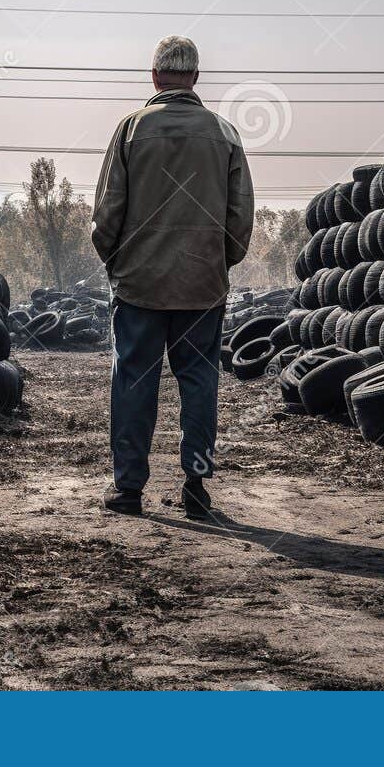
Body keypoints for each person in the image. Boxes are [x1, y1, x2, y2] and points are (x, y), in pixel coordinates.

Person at [91, 35, 255, 518]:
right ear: (196, 78)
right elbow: (241, 214)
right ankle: (196, 487)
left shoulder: (130, 130)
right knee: (200, 381)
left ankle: (127, 490)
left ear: (155, 75)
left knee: (133, 382)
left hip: (140, 284)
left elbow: (107, 212)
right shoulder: (224, 133)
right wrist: (220, 260)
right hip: (202, 286)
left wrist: (116, 262)